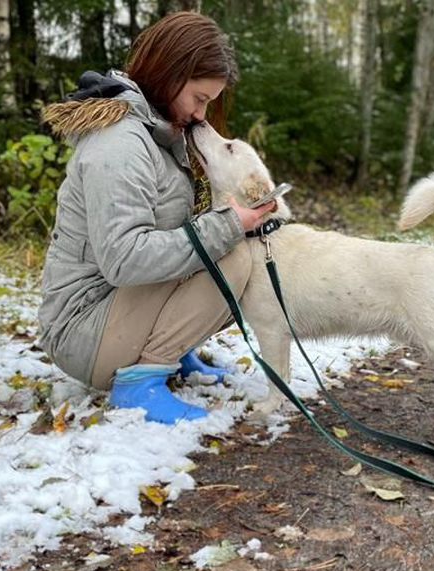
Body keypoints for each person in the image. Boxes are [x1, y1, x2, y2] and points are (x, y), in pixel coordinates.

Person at [38, 12, 275, 424]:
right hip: (83, 332)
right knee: (232, 257)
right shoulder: (120, 142)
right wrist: (228, 223)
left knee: (235, 249)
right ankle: (139, 384)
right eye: (200, 99)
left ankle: (173, 354)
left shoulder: (156, 131)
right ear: (170, 73)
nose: (202, 114)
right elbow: (124, 258)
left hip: (111, 312)